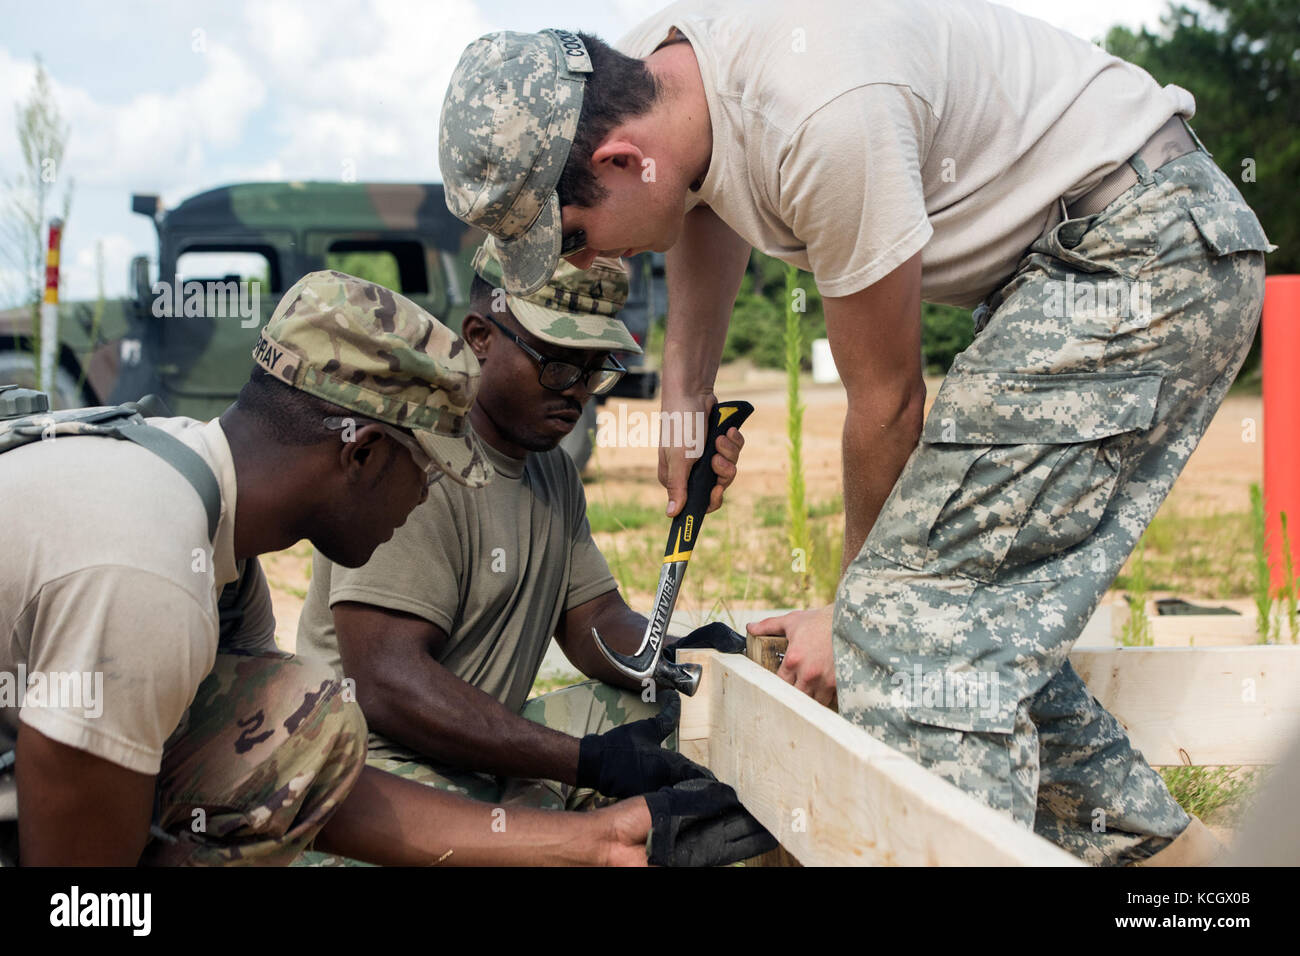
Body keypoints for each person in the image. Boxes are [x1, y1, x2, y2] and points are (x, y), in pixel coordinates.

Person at [437, 1, 1273, 865]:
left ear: (620, 159)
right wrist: (686, 386)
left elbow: (887, 402)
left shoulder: (826, 116)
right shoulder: (662, 67)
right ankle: (1183, 880)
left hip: (1142, 253)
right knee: (961, 615)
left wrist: (851, 611)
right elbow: (703, 192)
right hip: (1068, 257)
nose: (580, 262)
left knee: (903, 631)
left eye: (574, 236)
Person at [0, 269, 763, 866]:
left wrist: (602, 842)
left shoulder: (205, 529)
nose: (426, 500)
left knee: (299, 716)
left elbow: (293, 772)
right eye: (430, 471)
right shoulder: (150, 577)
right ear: (361, 453)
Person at [298, 239, 745, 826]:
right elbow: (385, 684)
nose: (577, 390)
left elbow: (594, 624)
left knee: (668, 709)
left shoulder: (549, 468)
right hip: (375, 779)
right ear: (480, 338)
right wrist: (586, 763)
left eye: (594, 370)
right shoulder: (414, 463)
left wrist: (684, 655)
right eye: (558, 362)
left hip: (480, 755)